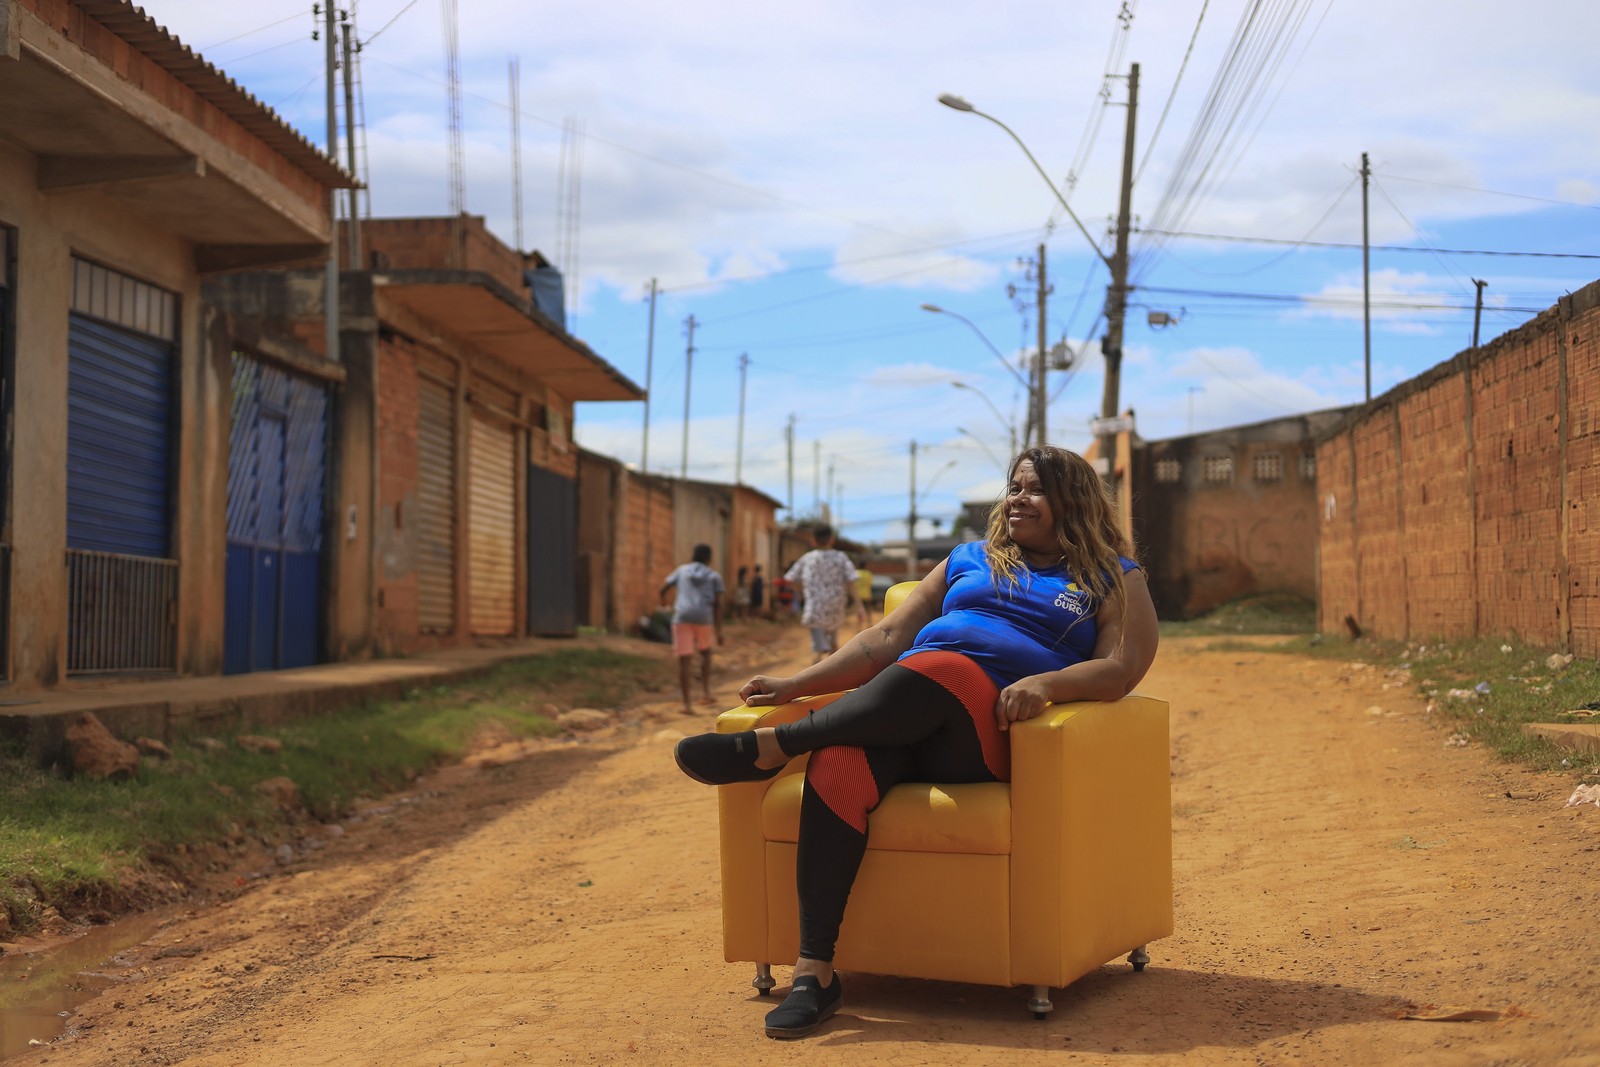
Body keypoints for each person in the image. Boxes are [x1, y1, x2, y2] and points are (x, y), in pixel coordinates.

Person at [673, 446, 1159, 1039]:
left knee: (947, 667)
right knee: (840, 761)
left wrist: (1048, 684)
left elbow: (1124, 664)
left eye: (1033, 490)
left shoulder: (1110, 575)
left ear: (1072, 502)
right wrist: (794, 684)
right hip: (904, 718)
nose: (1017, 500)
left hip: (993, 736)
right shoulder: (968, 559)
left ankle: (776, 747)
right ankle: (814, 974)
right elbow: (883, 640)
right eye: (1013, 488)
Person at [784, 523, 866, 663]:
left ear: (813, 540)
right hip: (836, 606)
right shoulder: (841, 557)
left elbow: (789, 579)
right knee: (833, 639)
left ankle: (818, 660)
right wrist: (859, 606)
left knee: (817, 645)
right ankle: (832, 660)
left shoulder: (807, 558)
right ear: (832, 539)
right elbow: (851, 581)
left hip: (815, 607)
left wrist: (802, 590)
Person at [659, 543, 725, 712]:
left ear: (693, 555)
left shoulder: (681, 570)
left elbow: (663, 589)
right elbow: (717, 605)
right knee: (706, 653)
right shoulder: (714, 576)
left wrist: (665, 604)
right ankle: (706, 693)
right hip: (704, 619)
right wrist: (719, 631)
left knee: (684, 660)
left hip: (682, 617)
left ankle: (686, 704)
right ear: (709, 559)